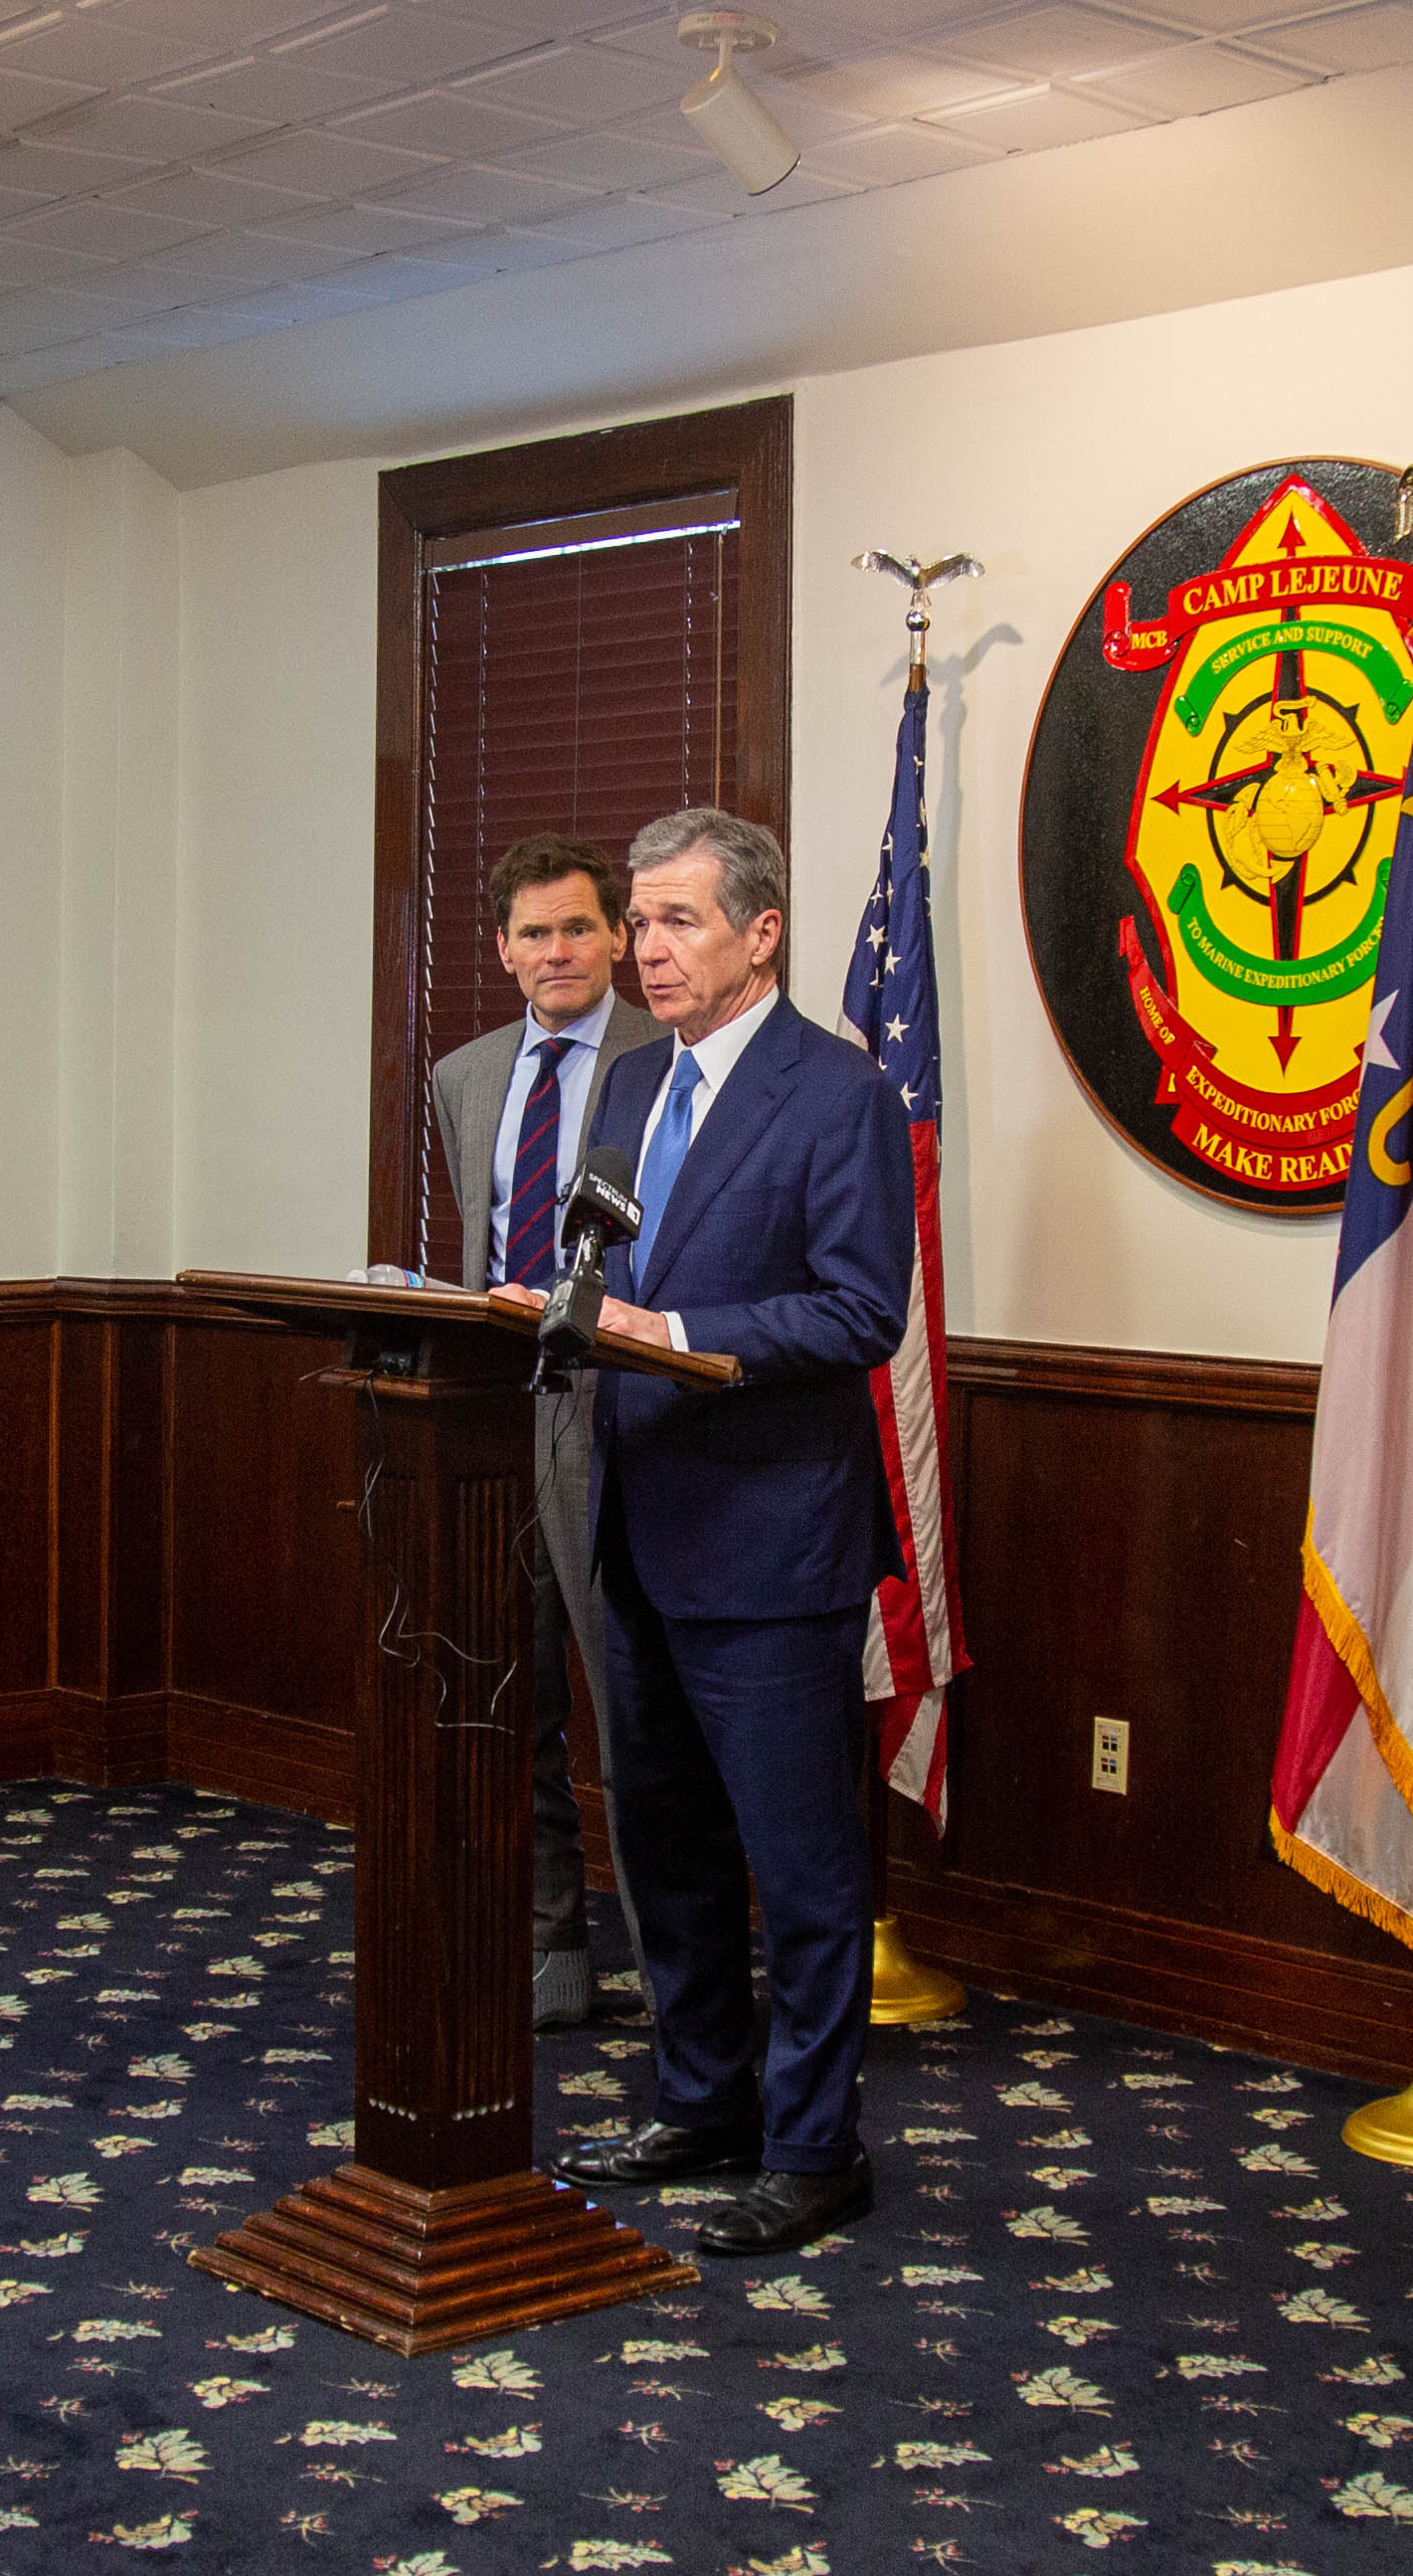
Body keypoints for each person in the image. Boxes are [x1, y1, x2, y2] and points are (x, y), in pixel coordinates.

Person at [533, 805, 912, 2256]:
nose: (646, 947)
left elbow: (857, 1308)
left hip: (768, 1544)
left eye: (678, 920)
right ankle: (703, 2101)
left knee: (799, 1868)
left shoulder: (836, 1095)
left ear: (762, 934)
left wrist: (671, 1327)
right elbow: (599, 1261)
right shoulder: (633, 1087)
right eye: (639, 921)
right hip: (636, 1522)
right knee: (669, 1851)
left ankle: (816, 2149)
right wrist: (556, 1313)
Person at [430, 833, 665, 2030]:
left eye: (578, 927)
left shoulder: (664, 1059)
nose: (556, 951)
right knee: (509, 1701)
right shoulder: (466, 1075)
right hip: (491, 1414)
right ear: (504, 948)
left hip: (620, 1415)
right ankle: (553, 1954)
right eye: (532, 932)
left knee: (632, 1706)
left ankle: (682, 1976)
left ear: (619, 936)